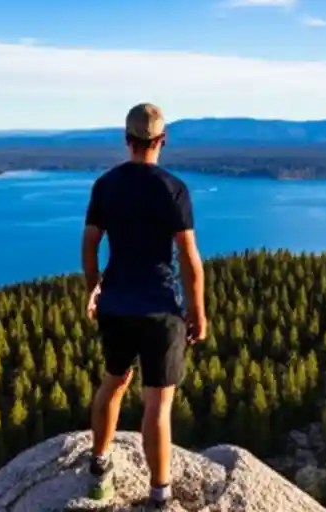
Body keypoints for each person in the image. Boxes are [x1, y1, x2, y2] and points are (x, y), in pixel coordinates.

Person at [82, 102, 208, 509]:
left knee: (113, 382)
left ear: (127, 139)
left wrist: (94, 288)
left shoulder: (106, 185)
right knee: (158, 402)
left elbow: (90, 243)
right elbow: (189, 260)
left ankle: (99, 468)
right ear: (162, 141)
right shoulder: (173, 188)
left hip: (116, 305)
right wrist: (198, 313)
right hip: (160, 310)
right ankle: (159, 496)